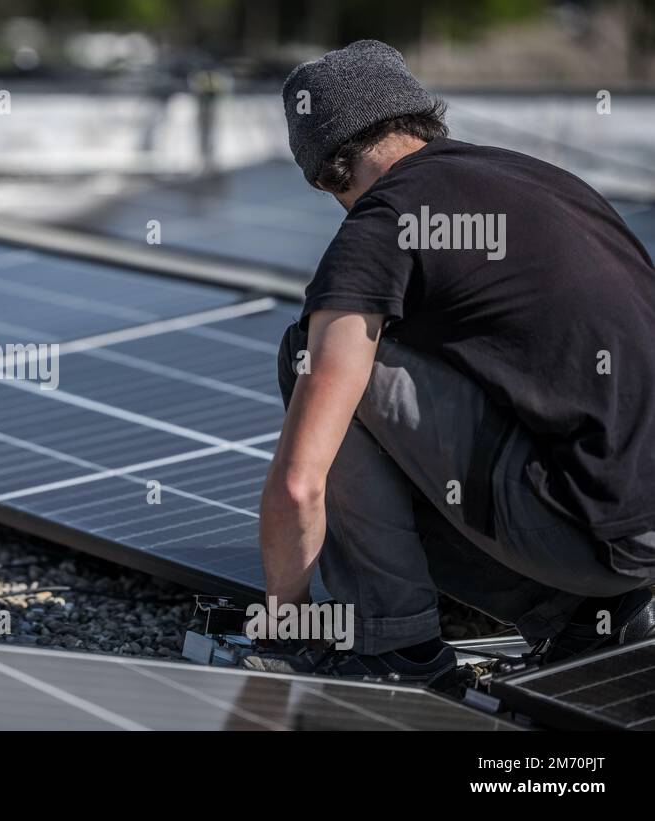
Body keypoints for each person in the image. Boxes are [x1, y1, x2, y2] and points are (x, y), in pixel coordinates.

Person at [249, 39, 655, 686]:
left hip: (589, 536)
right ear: (424, 120)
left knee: (314, 353)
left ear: (329, 174)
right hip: (636, 535)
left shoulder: (383, 222)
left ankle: (394, 646)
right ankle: (589, 617)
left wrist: (286, 622)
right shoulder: (543, 179)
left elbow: (301, 482)